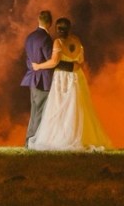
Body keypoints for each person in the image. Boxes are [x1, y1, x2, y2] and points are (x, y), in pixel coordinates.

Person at [30, 17, 111, 150]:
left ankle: (63, 137)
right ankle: (79, 135)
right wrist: (73, 66)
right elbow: (80, 61)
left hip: (63, 78)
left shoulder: (58, 42)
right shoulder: (77, 41)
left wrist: (38, 66)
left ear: (58, 29)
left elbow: (54, 62)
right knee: (77, 106)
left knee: (60, 106)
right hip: (77, 77)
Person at [21, 10, 54, 147]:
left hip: (32, 79)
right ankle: (34, 142)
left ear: (38, 20)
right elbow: (50, 60)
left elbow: (28, 59)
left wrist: (33, 67)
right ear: (50, 23)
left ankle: (29, 140)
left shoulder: (30, 37)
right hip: (42, 80)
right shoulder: (46, 38)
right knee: (41, 112)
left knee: (34, 111)